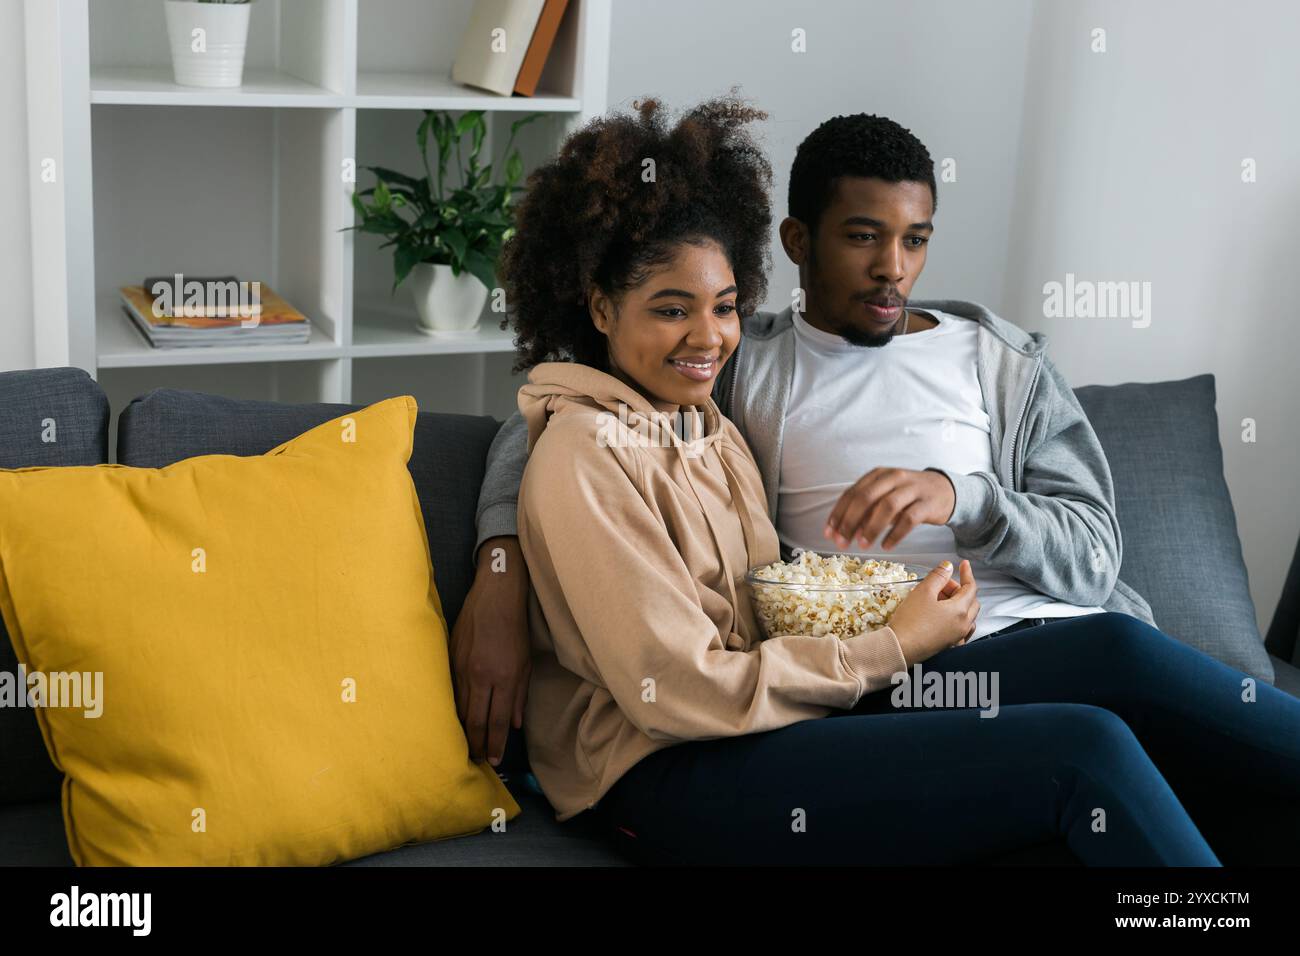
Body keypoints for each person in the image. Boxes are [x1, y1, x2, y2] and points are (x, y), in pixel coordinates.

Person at [456, 95, 1300, 864]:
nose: (708, 335)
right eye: (671, 308)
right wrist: (499, 567)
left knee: (1109, 698)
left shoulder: (709, 424)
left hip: (787, 711)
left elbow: (1091, 551)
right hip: (674, 765)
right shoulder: (607, 437)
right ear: (600, 308)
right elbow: (671, 683)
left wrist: (951, 521)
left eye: (720, 306)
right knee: (1086, 749)